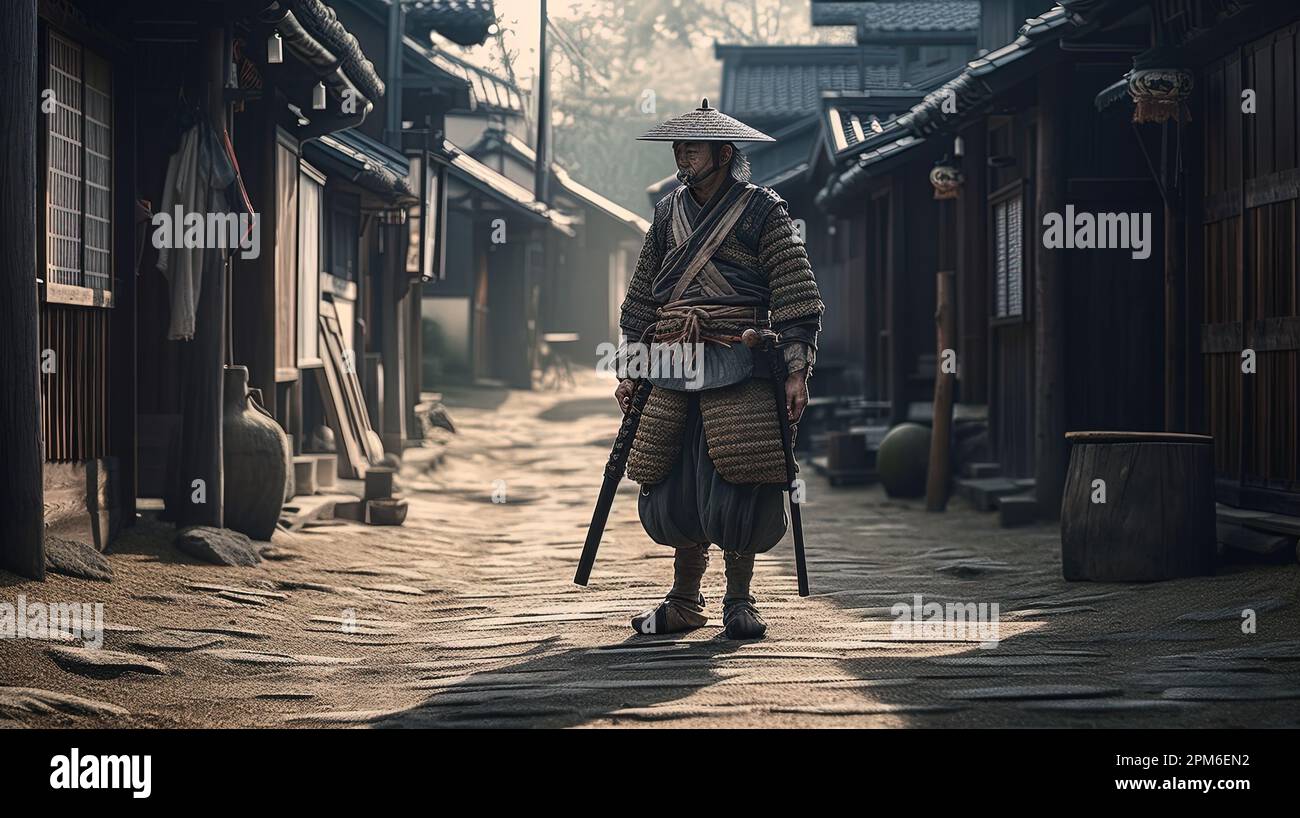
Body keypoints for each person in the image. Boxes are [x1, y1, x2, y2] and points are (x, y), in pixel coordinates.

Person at [614, 99, 824, 640]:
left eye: (694, 147)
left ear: (725, 153)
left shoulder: (763, 210)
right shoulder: (667, 212)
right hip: (672, 358)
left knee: (740, 477)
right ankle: (685, 599)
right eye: (679, 147)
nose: (683, 154)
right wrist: (632, 366)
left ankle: (739, 599)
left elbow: (795, 295)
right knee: (672, 476)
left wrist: (796, 371)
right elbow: (642, 298)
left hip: (741, 357)